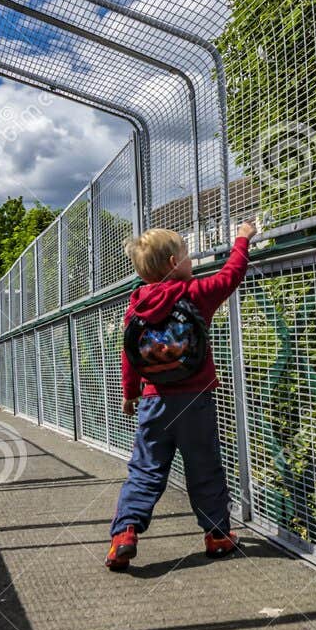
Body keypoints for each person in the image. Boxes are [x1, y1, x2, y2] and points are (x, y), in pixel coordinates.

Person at [105, 220, 257, 571]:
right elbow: (232, 275)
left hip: (154, 401)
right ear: (174, 262)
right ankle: (217, 535)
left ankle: (124, 534)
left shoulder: (135, 308)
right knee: (203, 465)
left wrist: (131, 394)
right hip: (195, 399)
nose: (192, 261)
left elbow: (129, 355)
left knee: (145, 469)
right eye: (188, 255)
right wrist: (241, 240)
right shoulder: (194, 293)